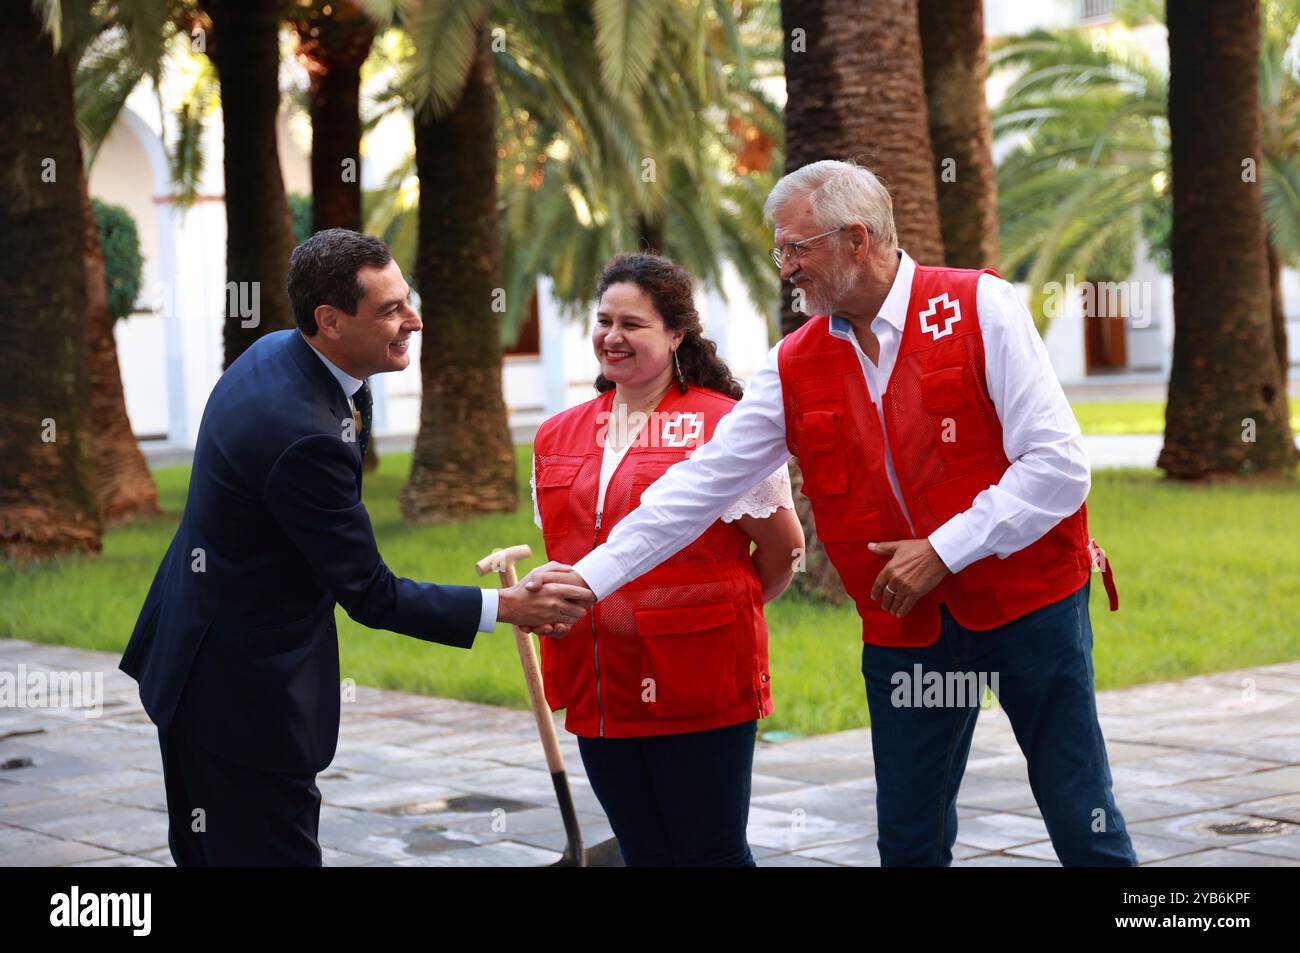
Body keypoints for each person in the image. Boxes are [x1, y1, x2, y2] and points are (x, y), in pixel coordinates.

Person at [528, 161, 1138, 867]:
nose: (786, 267)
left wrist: (943, 549)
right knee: (908, 839)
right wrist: (588, 579)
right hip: (905, 627)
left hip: (1029, 608)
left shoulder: (980, 307)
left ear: (856, 239)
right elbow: (699, 485)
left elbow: (1058, 467)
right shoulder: (794, 363)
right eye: (779, 251)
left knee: (1079, 813)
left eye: (796, 247)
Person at [120, 229, 593, 866]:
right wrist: (509, 607)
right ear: (330, 320)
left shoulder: (277, 351)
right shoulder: (305, 435)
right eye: (390, 310)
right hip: (241, 700)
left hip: (195, 659)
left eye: (408, 300)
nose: (414, 321)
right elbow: (371, 593)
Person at [530, 253, 804, 866]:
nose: (612, 336)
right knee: (642, 851)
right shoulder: (557, 434)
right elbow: (568, 548)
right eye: (605, 321)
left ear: (677, 334)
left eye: (633, 324)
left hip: (699, 680)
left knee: (711, 852)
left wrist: (717, 608)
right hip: (599, 684)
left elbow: (783, 549)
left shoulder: (723, 427)